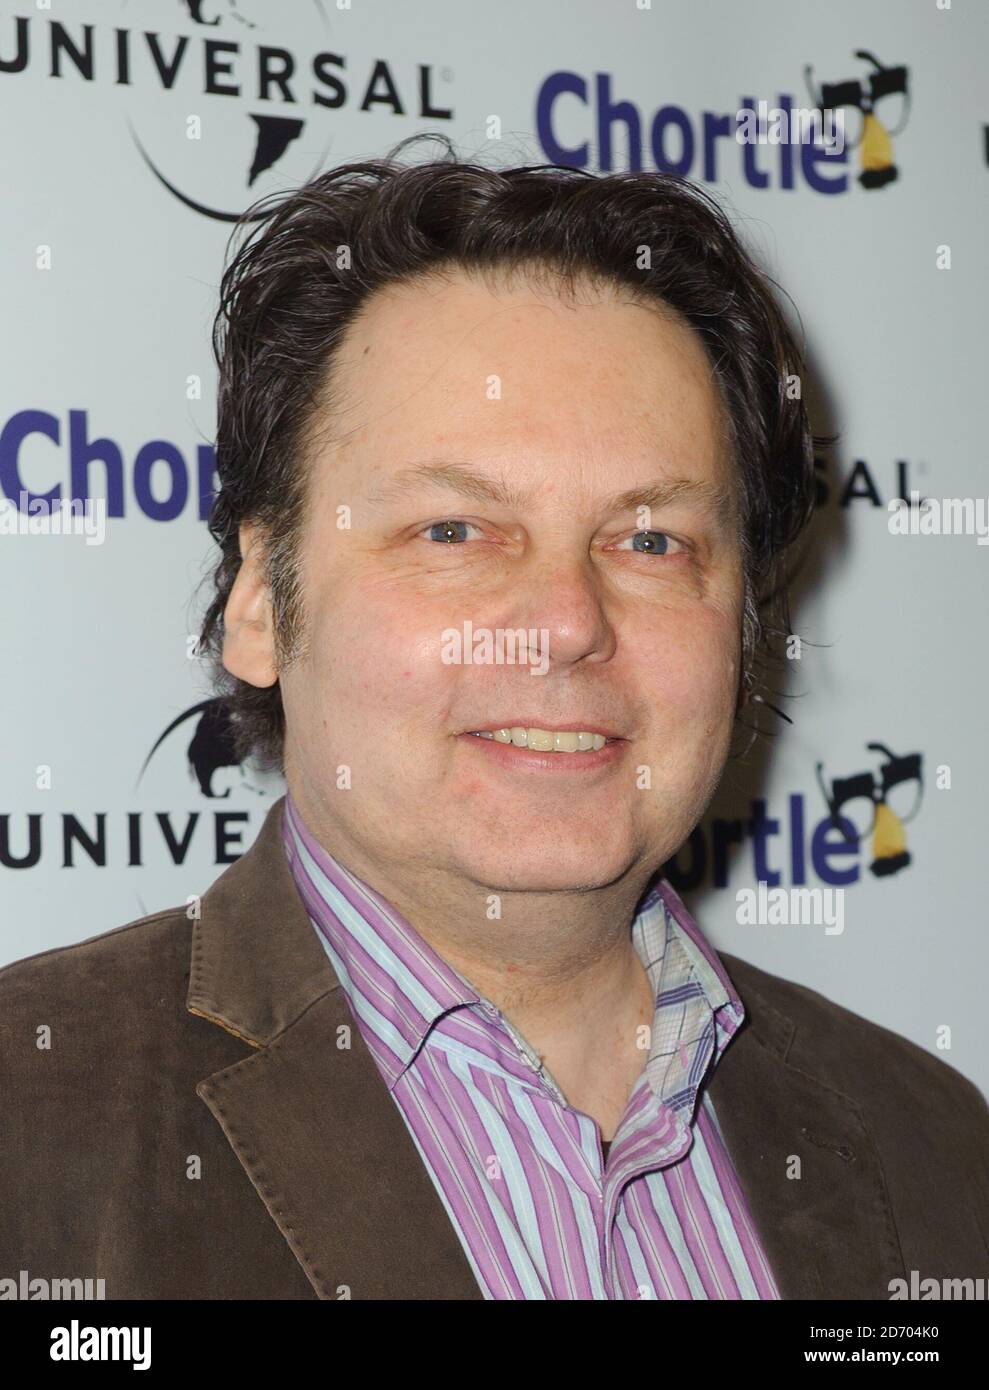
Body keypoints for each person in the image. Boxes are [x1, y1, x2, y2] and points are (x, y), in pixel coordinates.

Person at [2, 138, 985, 1301]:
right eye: (454, 532)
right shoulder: (33, 1134)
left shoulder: (934, 1147)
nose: (565, 622)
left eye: (650, 539)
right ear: (260, 600)